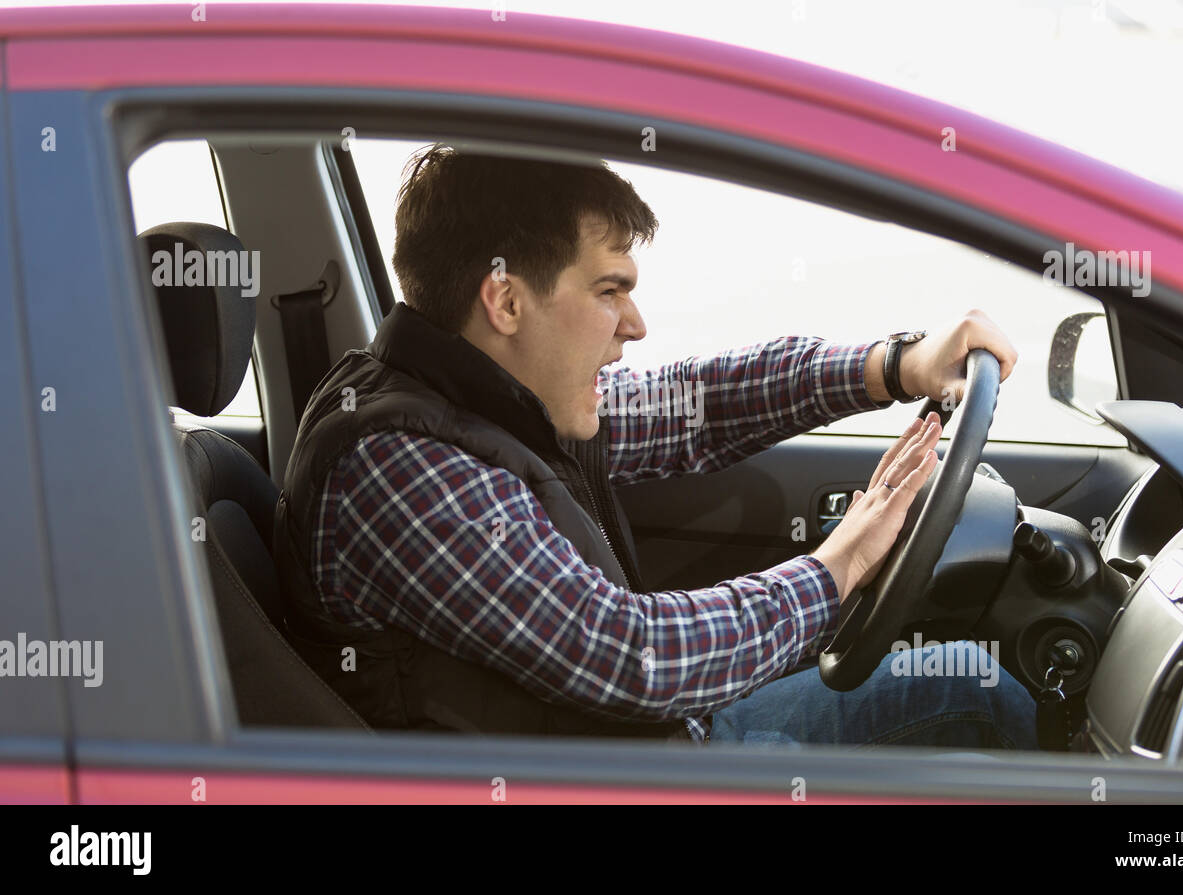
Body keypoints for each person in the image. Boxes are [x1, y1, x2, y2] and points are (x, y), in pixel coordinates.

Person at [272, 144, 1037, 750]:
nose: (634, 324)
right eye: (610, 291)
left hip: (652, 745)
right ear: (505, 300)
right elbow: (631, 655)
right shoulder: (402, 470)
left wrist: (896, 365)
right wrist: (841, 566)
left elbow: (699, 407)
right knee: (981, 712)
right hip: (623, 774)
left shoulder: (498, 401)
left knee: (966, 684)